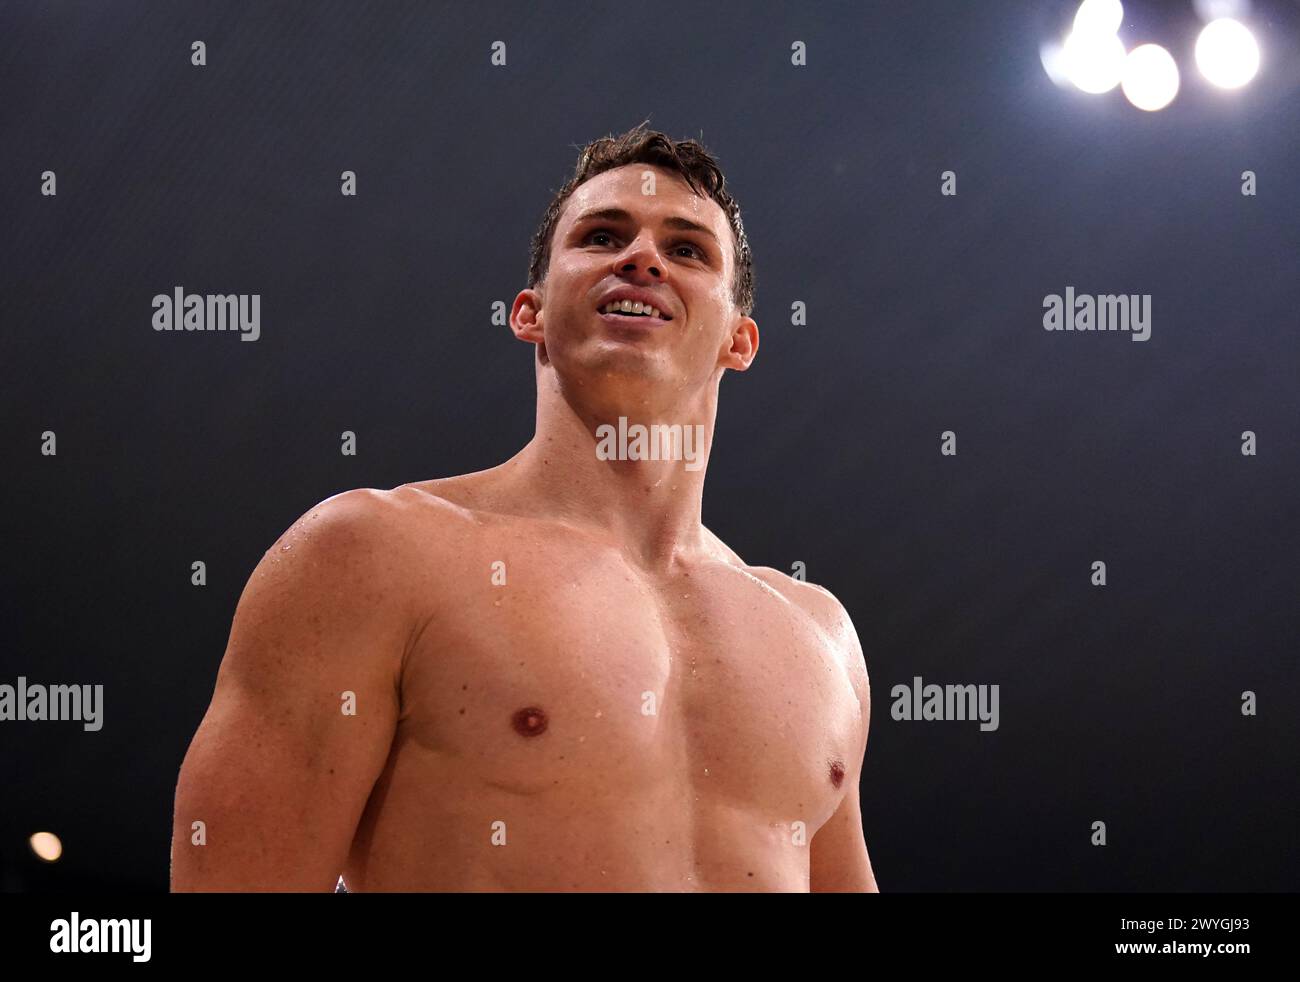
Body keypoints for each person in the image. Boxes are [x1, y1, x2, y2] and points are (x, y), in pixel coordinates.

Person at [170, 123, 878, 892]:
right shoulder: (370, 553)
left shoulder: (819, 636)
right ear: (529, 313)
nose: (640, 259)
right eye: (603, 236)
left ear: (739, 341)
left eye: (686, 250)